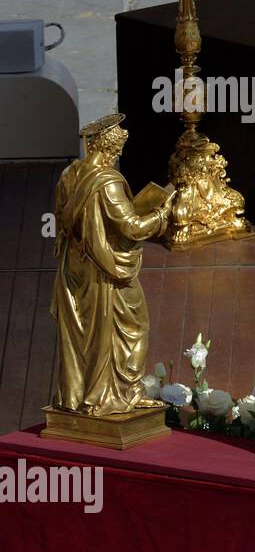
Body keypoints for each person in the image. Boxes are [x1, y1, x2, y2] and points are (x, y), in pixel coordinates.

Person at [49, 114, 175, 415]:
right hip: (105, 272)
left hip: (74, 270)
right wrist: (161, 215)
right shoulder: (108, 183)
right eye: (117, 150)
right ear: (110, 149)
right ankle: (120, 393)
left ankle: (80, 397)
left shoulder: (69, 174)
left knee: (84, 336)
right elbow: (131, 227)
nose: (117, 156)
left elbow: (65, 221)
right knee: (134, 325)